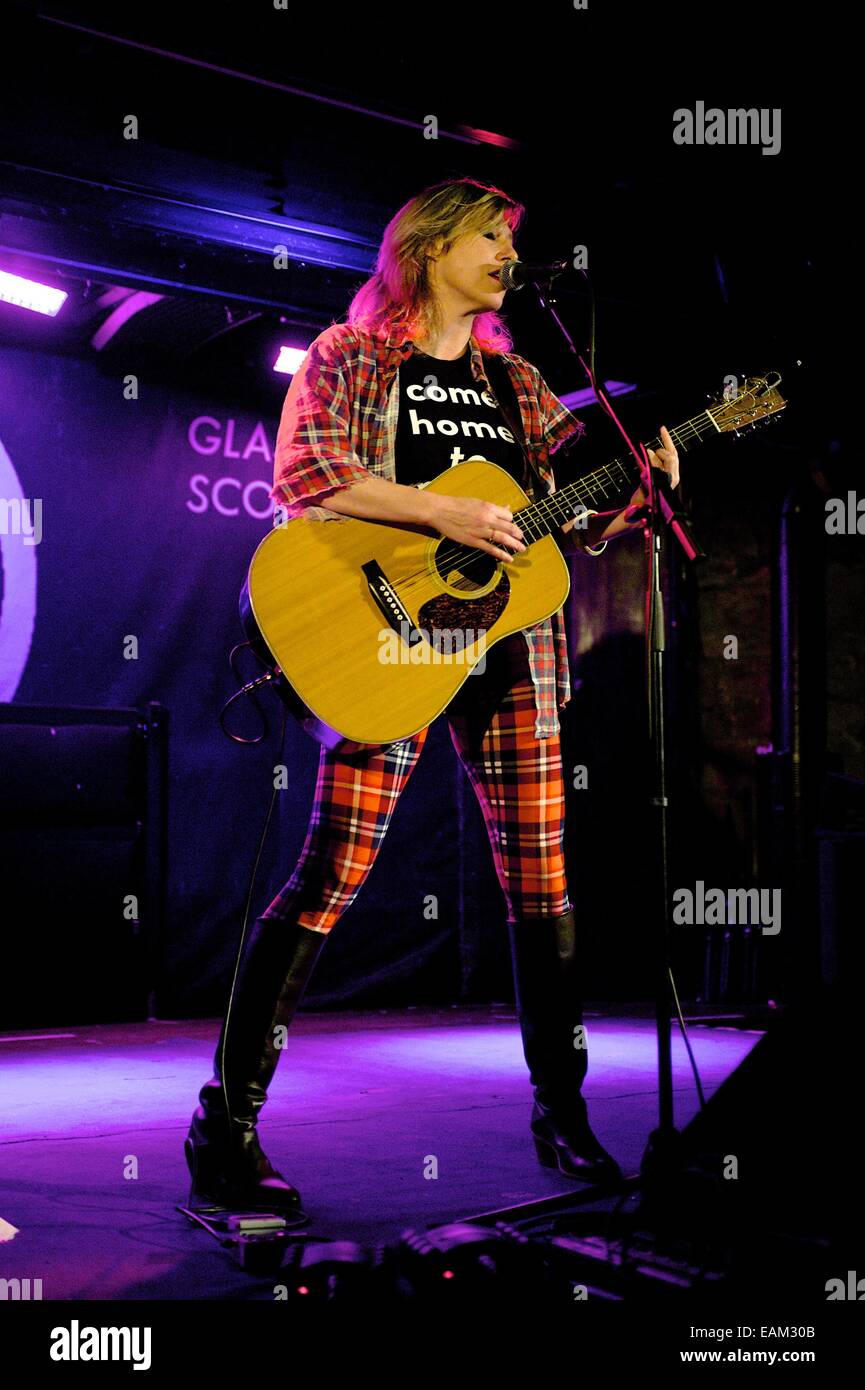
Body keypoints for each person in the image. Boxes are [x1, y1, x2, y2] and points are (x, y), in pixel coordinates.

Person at [185, 177, 680, 1215]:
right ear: (430, 247)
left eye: (511, 237)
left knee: (543, 885)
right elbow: (307, 470)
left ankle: (560, 1107)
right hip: (389, 633)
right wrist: (441, 511)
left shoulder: (520, 381)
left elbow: (555, 517)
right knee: (330, 872)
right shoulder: (351, 356)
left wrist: (630, 492)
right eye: (490, 234)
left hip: (506, 645)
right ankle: (224, 1126)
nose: (508, 250)